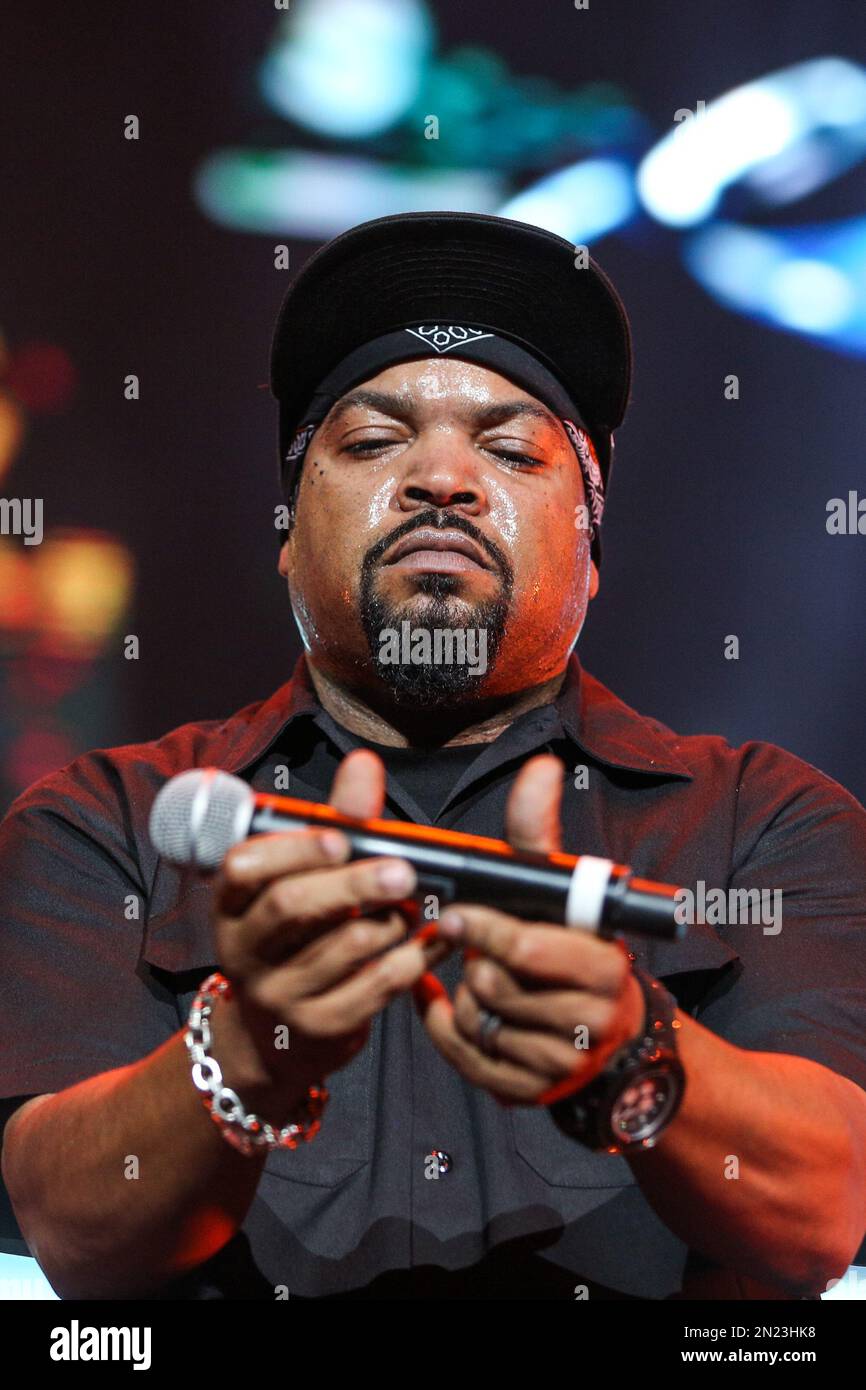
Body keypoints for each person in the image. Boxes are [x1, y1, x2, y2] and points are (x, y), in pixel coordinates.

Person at [2, 211, 866, 1302]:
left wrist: (630, 1050)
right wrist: (249, 1045)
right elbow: (72, 1235)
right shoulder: (110, 821)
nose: (441, 479)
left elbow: (821, 1218)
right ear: (284, 532)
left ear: (591, 548)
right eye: (371, 442)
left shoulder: (762, 822)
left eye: (509, 448)